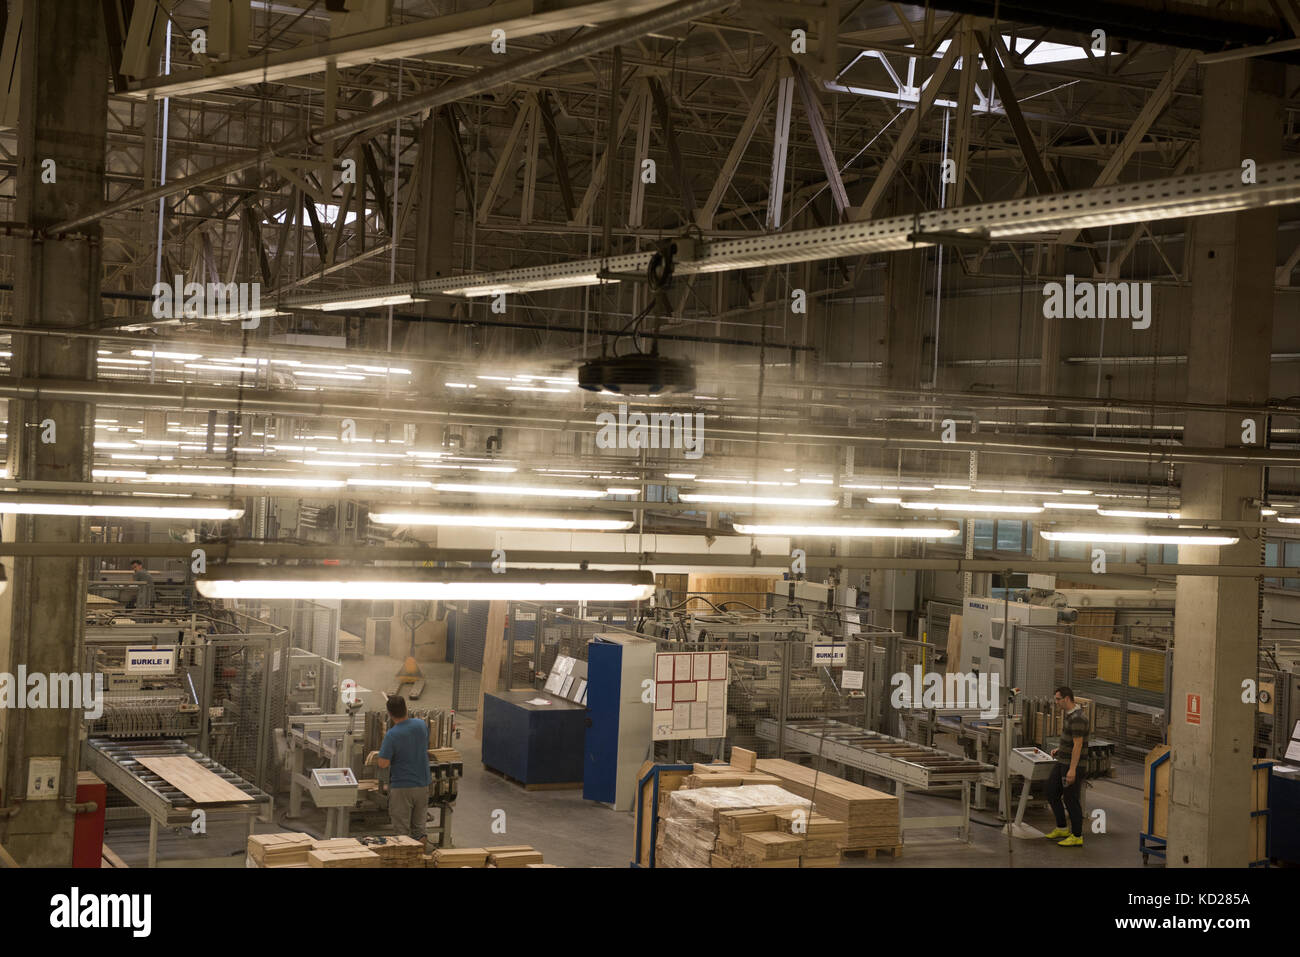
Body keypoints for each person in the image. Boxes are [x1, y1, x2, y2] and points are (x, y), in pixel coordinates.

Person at [376, 695, 431, 841]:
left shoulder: (392, 735)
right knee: (420, 830)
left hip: (402, 787)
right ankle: (420, 861)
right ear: (406, 708)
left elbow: (383, 763)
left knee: (402, 833)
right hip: (422, 784)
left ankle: (406, 862)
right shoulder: (421, 725)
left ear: (389, 714)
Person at [1045, 685, 1089, 847]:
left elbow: (1078, 745)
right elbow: (1072, 741)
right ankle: (1062, 827)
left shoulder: (1078, 718)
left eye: (1058, 699)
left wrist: (1072, 770)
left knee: (1071, 799)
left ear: (1067, 699)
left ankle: (1077, 835)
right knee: (1051, 792)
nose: (1056, 702)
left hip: (1072, 766)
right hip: (1062, 762)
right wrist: (1060, 749)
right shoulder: (1070, 715)